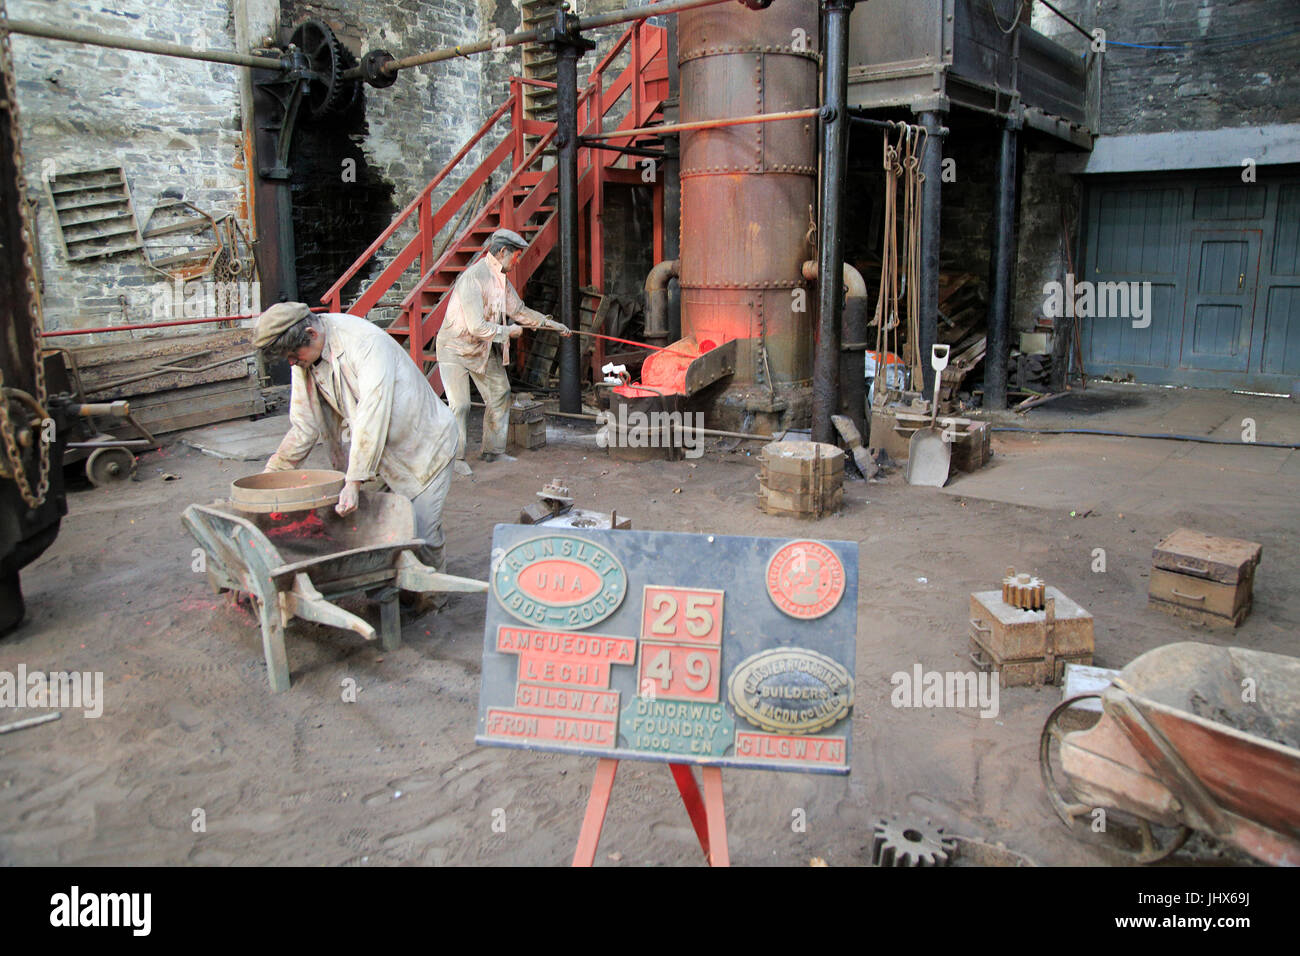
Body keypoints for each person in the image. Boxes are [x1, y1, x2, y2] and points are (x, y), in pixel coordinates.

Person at [252, 302, 459, 577]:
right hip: (382, 451)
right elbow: (304, 426)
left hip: (425, 447)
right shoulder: (304, 356)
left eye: (292, 355)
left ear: (312, 334)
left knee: (420, 532)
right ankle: (392, 587)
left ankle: (432, 600)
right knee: (372, 526)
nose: (291, 362)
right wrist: (270, 476)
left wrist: (354, 481)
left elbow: (372, 416)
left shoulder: (365, 344)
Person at [436, 228, 570, 473]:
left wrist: (551, 324)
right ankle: (455, 460)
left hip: (482, 349)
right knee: (461, 405)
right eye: (516, 255)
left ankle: (493, 451)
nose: (517, 261)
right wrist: (508, 332)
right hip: (454, 349)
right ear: (503, 252)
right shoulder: (473, 278)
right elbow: (477, 326)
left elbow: (519, 311)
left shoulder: (500, 281)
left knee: (500, 393)